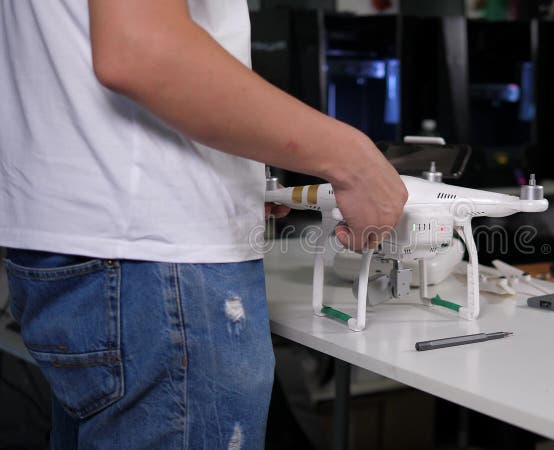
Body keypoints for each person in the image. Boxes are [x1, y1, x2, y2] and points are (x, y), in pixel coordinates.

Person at [0, 1, 407, 449]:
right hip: (158, 259)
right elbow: (141, 48)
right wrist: (355, 161)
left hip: (81, 244)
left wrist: (235, 171)